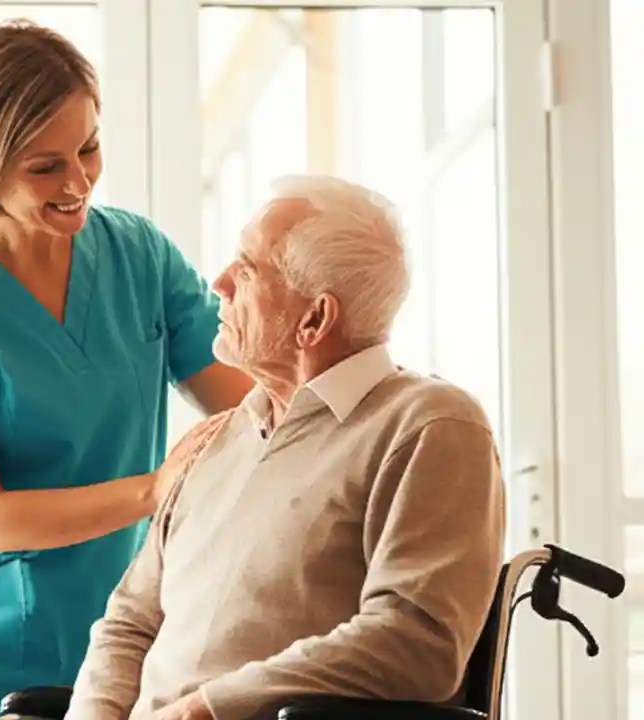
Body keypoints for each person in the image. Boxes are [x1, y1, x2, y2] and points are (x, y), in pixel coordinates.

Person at [0, 19, 254, 720]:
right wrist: (153, 491)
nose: (79, 181)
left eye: (88, 148)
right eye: (45, 166)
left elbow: (251, 401)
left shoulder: (138, 257)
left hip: (127, 636)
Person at [66, 175, 507, 720]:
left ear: (314, 319)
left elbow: (416, 643)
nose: (219, 283)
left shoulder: (430, 425)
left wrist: (206, 708)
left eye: (247, 270)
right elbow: (129, 622)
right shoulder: (221, 437)